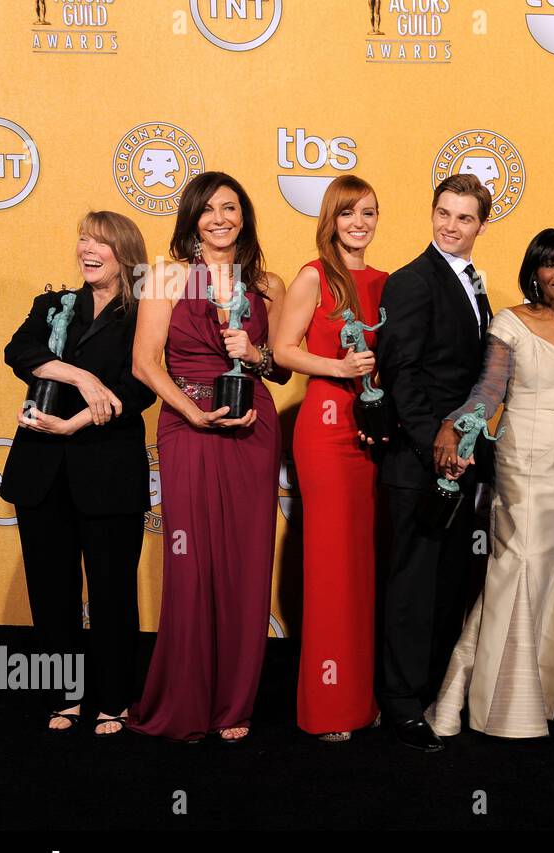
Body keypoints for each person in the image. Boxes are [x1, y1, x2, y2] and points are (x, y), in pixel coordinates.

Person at [129, 172, 288, 743]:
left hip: (253, 427)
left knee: (247, 563)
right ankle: (186, 699)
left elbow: (283, 366)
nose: (221, 218)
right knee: (191, 560)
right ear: (192, 217)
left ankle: (233, 705)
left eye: (232, 207)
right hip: (187, 423)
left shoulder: (268, 284)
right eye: (209, 209)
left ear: (244, 216)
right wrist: (192, 413)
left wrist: (259, 353)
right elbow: (146, 363)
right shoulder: (167, 276)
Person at [425, 228, 554, 739]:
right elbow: (489, 390)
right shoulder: (511, 323)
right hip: (522, 461)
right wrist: (456, 426)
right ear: (534, 272)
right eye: (550, 263)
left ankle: (548, 696)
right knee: (516, 563)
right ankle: (492, 700)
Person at [2, 211, 154, 735]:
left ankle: (114, 696)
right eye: (83, 239)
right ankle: (63, 695)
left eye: (102, 242)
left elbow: (140, 388)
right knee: (51, 591)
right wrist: (82, 375)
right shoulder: (52, 305)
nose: (89, 249)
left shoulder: (144, 314)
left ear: (125, 253)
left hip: (107, 467)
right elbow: (20, 352)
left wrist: (77, 421)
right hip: (40, 471)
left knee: (112, 592)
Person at [374, 174, 495, 753]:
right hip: (420, 463)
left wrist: (465, 448)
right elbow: (402, 376)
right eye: (443, 213)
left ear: (481, 225)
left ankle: (428, 693)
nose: (451, 225)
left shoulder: (472, 282)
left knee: (448, 584)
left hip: (461, 462)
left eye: (464, 218)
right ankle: (399, 704)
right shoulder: (411, 281)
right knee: (411, 588)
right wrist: (437, 448)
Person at [272, 175, 388, 742]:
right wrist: (339, 368)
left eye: (367, 213)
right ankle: (328, 706)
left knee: (362, 563)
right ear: (331, 220)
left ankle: (359, 698)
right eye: (348, 214)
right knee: (329, 562)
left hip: (369, 433)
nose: (358, 224)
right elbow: (282, 350)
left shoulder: (387, 281)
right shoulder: (313, 276)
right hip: (322, 429)